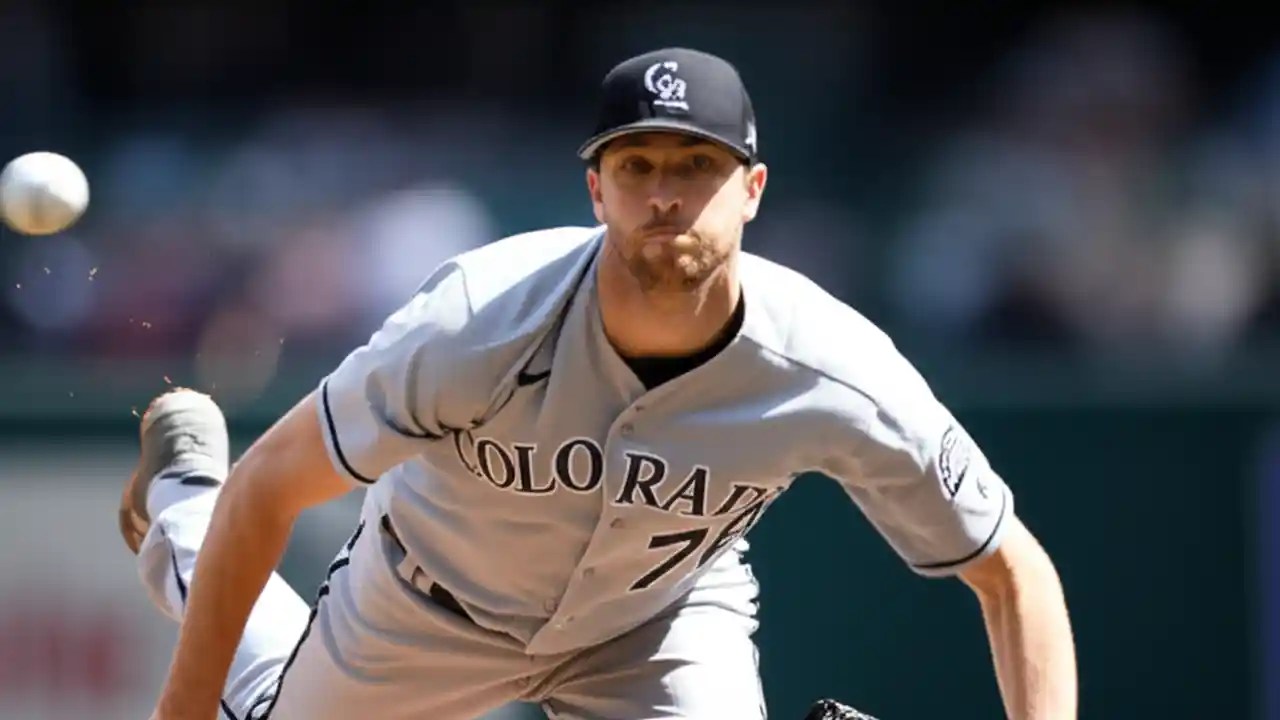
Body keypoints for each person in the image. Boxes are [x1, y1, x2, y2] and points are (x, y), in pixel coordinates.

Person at [123, 47, 1078, 720]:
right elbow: (275, 484)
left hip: (654, 624)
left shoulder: (832, 367)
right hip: (425, 606)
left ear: (752, 189)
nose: (664, 192)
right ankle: (182, 512)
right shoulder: (477, 319)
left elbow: (1013, 573)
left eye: (697, 165)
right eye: (637, 164)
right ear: (596, 190)